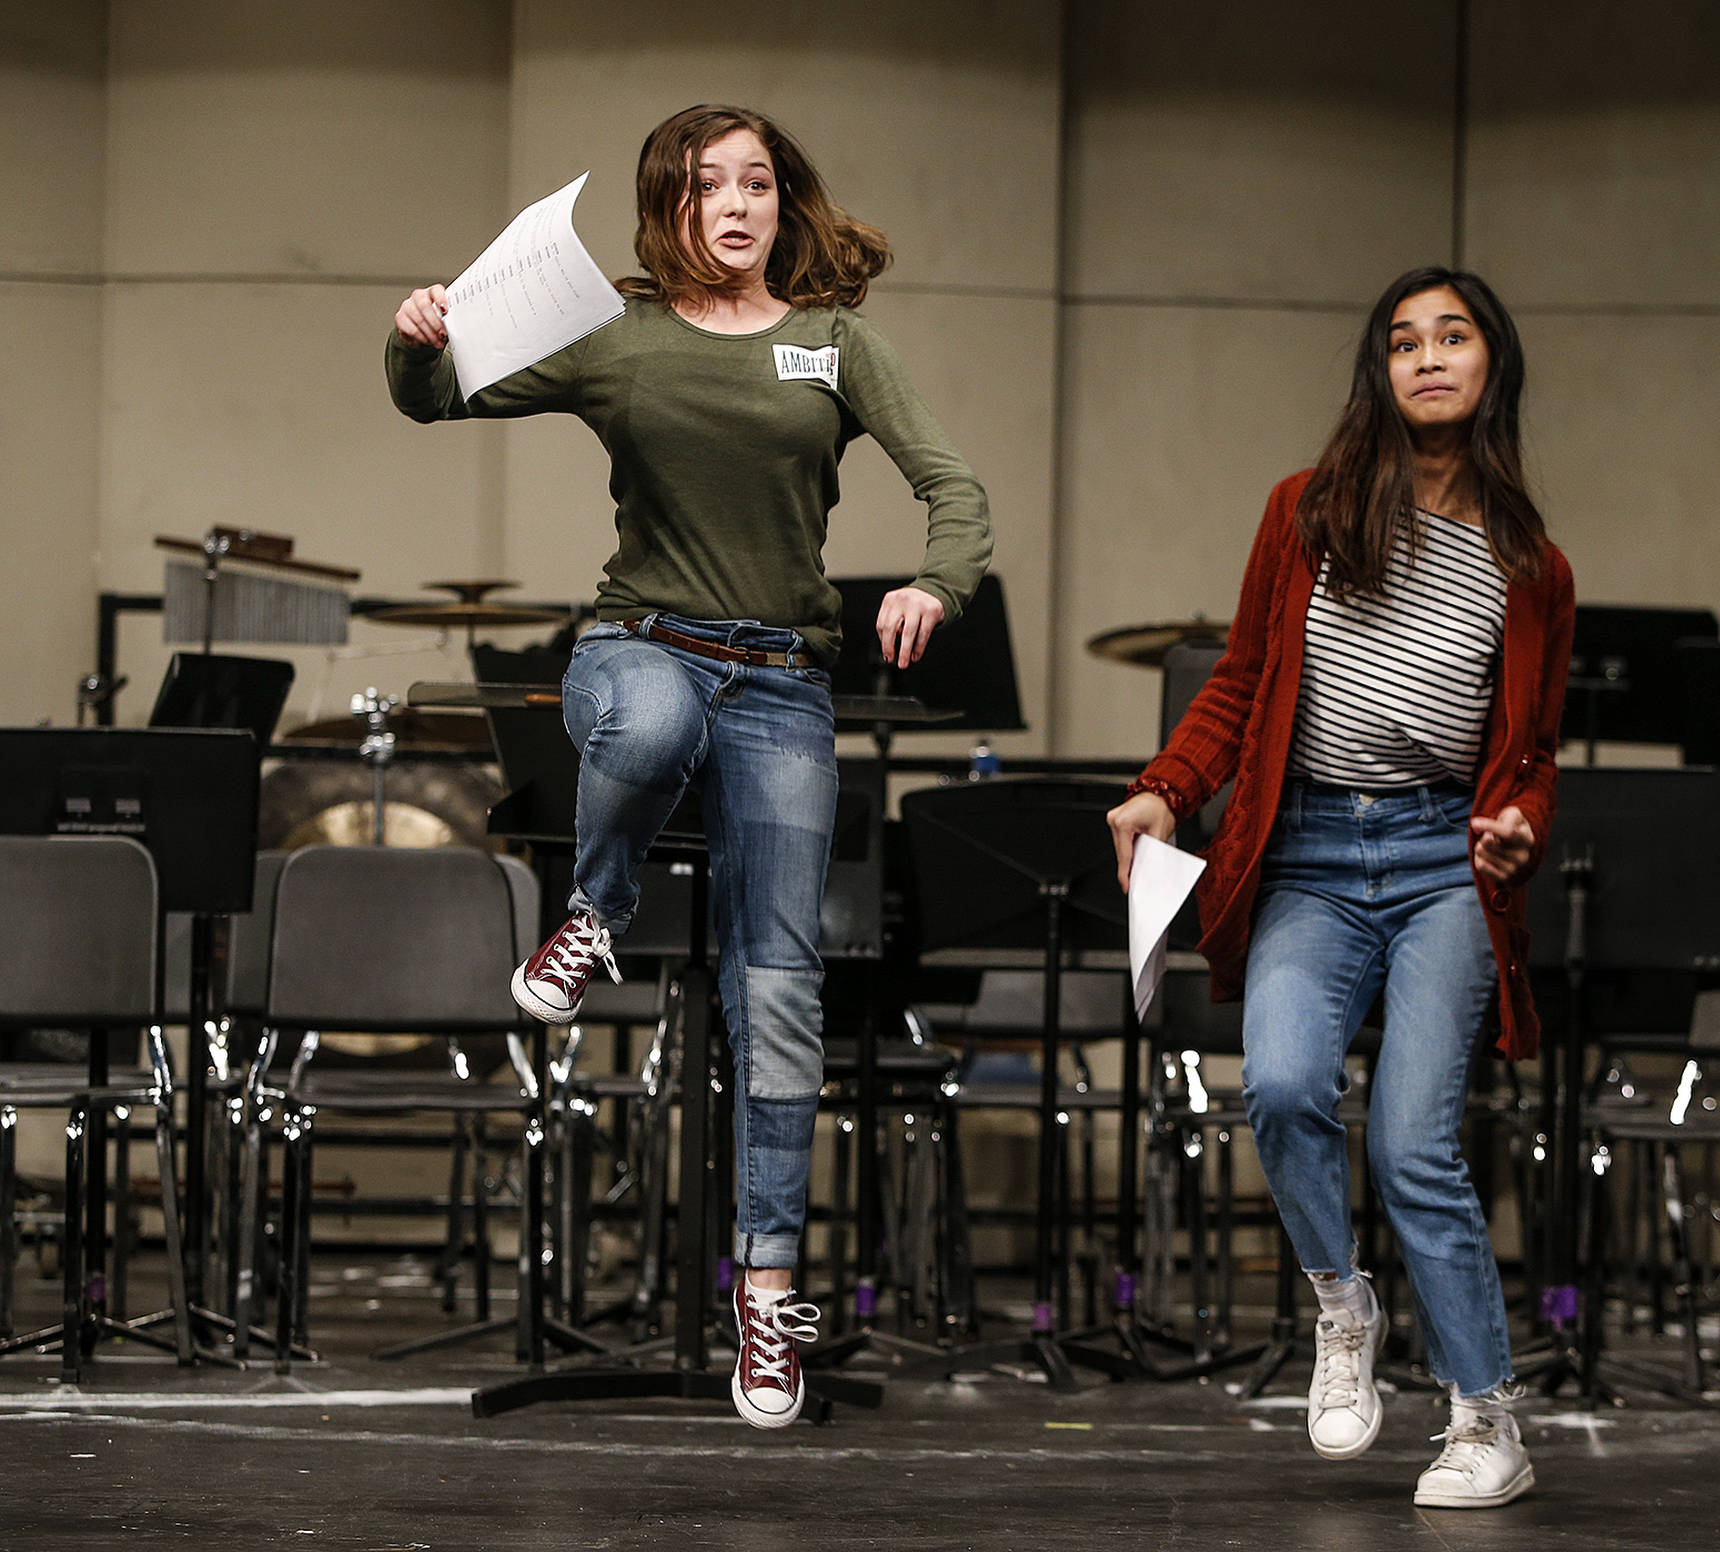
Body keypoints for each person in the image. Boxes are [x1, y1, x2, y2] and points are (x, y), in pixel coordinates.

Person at [387, 103, 991, 1429]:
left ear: (786, 203)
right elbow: (439, 400)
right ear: (668, 206)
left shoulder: (835, 347)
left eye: (759, 183)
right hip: (640, 643)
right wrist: (416, 337)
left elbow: (957, 491)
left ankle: (767, 1298)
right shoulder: (620, 337)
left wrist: (937, 590)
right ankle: (595, 910)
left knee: (781, 1000)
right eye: (710, 184)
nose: (738, 203)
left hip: (785, 682)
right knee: (649, 726)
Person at [1106, 267, 1571, 1508]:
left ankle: (1485, 1419)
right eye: (1403, 340)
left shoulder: (1530, 561)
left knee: (1418, 1142)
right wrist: (1165, 787)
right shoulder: (1304, 512)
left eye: (1452, 337)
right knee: (1285, 1081)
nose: (1426, 357)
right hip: (1307, 852)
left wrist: (1518, 822)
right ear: (1380, 369)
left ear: (1489, 365)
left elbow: (1528, 756)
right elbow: (1242, 679)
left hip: (1437, 867)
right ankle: (1339, 1306)